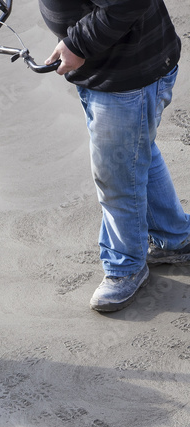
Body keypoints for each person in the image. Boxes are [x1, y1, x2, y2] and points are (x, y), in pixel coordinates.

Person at [39, 0, 190, 312]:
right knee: (135, 155)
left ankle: (126, 267)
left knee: (116, 175)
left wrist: (76, 44)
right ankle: (174, 238)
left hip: (127, 78)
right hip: (113, 68)